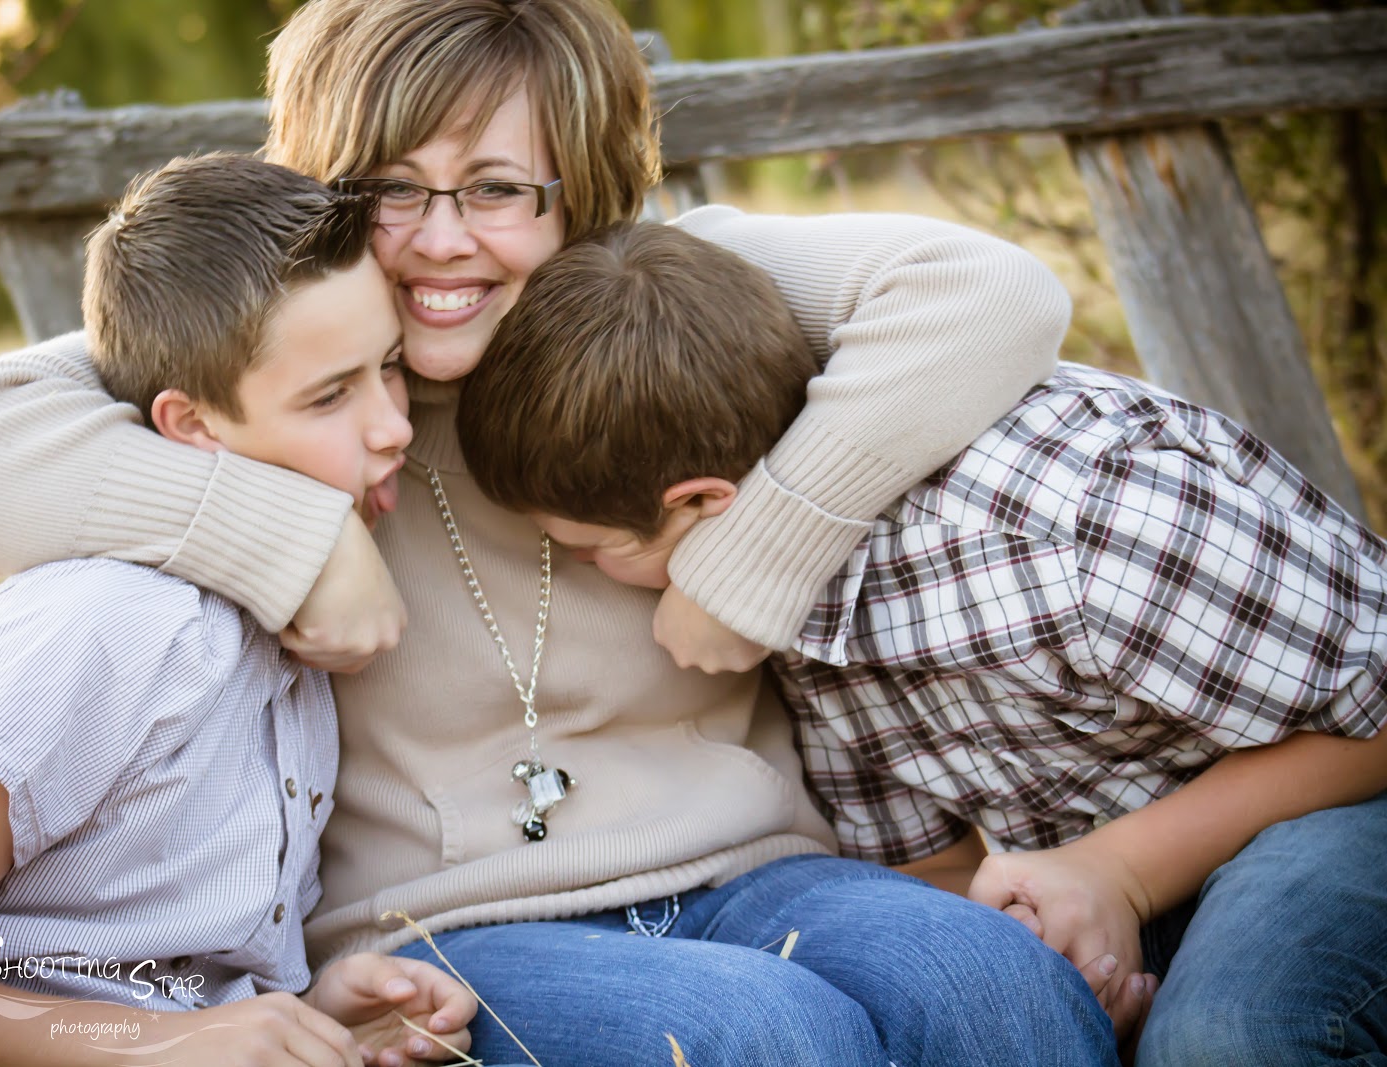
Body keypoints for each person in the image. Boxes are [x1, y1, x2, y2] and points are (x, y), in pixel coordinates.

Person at [0, 1, 1127, 1062]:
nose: (438, 243)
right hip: (439, 927)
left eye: (494, 190)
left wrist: (760, 557)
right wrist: (289, 537)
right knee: (758, 1035)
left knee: (991, 987)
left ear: (580, 189)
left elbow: (986, 292)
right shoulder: (290, 366)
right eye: (389, 192)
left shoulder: (661, 300)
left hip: (757, 868)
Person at [456, 219, 1387, 1065]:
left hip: (1335, 809)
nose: (583, 571)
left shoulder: (1070, 523)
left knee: (1226, 1041)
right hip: (1137, 873)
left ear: (702, 504)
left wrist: (1123, 873)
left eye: (590, 550)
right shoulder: (780, 619)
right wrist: (1051, 944)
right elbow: (927, 862)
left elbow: (1374, 708)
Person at [0, 154, 480, 1067]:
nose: (394, 424)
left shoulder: (283, 648)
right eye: (330, 395)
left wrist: (309, 1010)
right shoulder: (109, 630)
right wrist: (154, 1044)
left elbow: (156, 971)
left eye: (388, 368)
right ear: (191, 428)